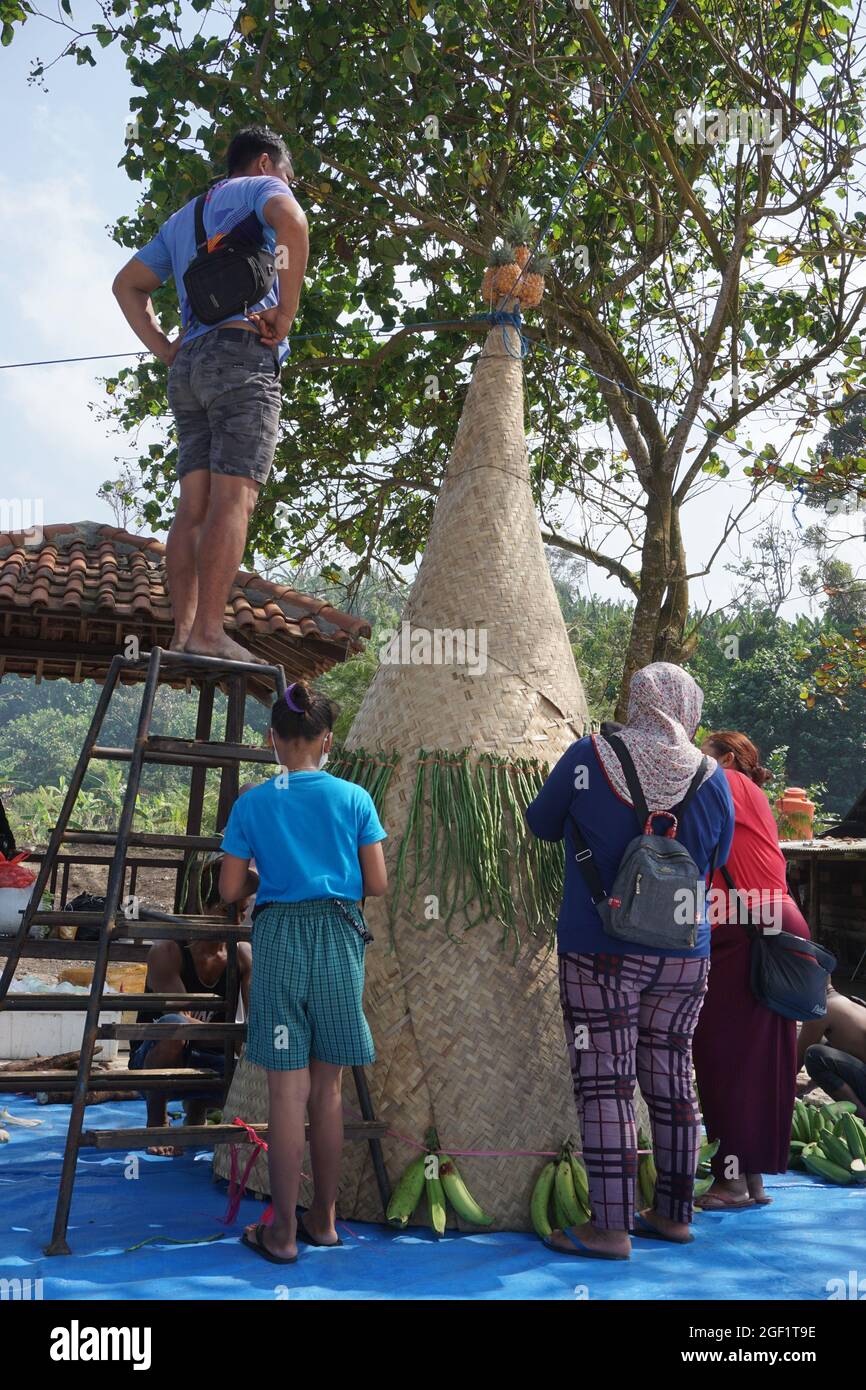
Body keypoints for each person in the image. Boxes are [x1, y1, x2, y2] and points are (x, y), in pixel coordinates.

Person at [526, 663, 734, 1259]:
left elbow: (540, 824)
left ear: (638, 701)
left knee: (605, 1084)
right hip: (685, 953)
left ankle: (610, 1227)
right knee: (671, 1076)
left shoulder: (590, 756)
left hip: (600, 947)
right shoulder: (711, 775)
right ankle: (673, 1214)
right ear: (687, 708)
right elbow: (715, 853)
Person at [112, 126, 309, 662]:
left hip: (190, 369)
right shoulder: (259, 190)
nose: (287, 186)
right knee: (234, 497)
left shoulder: (180, 220)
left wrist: (163, 347)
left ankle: (184, 632)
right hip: (243, 356)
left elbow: (126, 284)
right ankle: (208, 634)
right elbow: (292, 223)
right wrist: (285, 314)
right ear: (267, 164)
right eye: (287, 176)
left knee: (192, 506)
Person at [218, 680, 388, 1264]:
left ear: (272, 740)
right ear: (327, 739)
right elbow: (377, 884)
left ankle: (282, 1231)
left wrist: (274, 880)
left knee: (285, 1093)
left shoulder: (254, 802)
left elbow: (229, 888)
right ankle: (326, 1220)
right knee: (329, 1091)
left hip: (282, 938)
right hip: (341, 937)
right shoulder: (353, 798)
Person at [692, 730, 812, 1209]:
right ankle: (752, 1180)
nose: (696, 760)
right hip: (774, 924)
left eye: (703, 753)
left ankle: (734, 1181)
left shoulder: (721, 780)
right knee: (761, 1061)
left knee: (725, 1056)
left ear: (725, 757)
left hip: (748, 929)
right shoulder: (753, 792)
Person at [129, 855, 252, 1156]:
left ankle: (197, 1111)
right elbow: (182, 1019)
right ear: (202, 908)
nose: (237, 922)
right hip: (154, 1062)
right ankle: (156, 1121)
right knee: (176, 1027)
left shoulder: (243, 956)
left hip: (211, 1058)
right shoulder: (167, 951)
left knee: (251, 1056)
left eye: (242, 912)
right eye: (227, 911)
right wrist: (233, 1037)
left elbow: (255, 1020)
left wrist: (248, 1054)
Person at [798, 986, 866, 1120]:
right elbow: (841, 1054)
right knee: (822, 1045)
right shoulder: (849, 1004)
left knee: (814, 1054)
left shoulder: (821, 1009)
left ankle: (863, 1116)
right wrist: (809, 1085)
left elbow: (796, 1061)